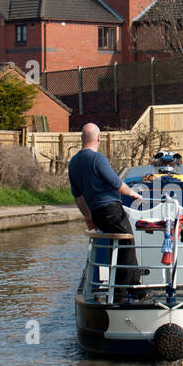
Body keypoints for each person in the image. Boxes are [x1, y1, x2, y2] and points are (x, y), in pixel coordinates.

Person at [68, 123, 145, 301]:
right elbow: (115, 182)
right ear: (99, 138)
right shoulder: (97, 158)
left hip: (96, 212)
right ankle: (123, 292)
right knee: (127, 243)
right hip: (110, 209)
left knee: (116, 247)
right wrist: (132, 192)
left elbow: (77, 196)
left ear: (81, 139)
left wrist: (88, 216)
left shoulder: (73, 163)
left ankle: (134, 288)